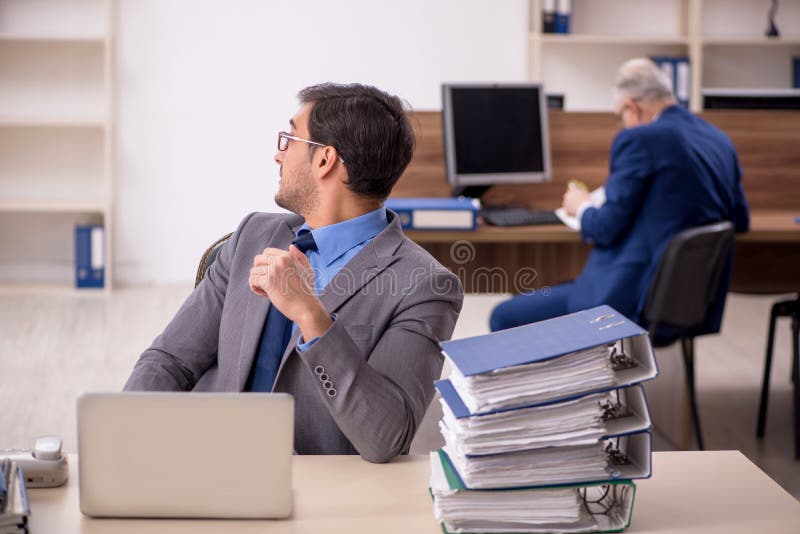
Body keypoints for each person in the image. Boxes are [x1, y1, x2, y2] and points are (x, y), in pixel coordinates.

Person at [124, 83, 464, 463]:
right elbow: (171, 360)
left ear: (325, 160)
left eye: (289, 139)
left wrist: (312, 316)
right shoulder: (252, 235)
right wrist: (124, 439)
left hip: (318, 494)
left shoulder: (424, 286)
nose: (277, 154)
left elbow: (386, 437)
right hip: (206, 463)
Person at [490, 58, 749, 331]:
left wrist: (582, 207)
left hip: (625, 302)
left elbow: (603, 229)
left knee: (504, 316)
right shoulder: (719, 139)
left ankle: (575, 370)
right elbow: (739, 220)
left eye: (618, 117)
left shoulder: (640, 139)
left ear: (631, 107)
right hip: (687, 304)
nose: (621, 125)